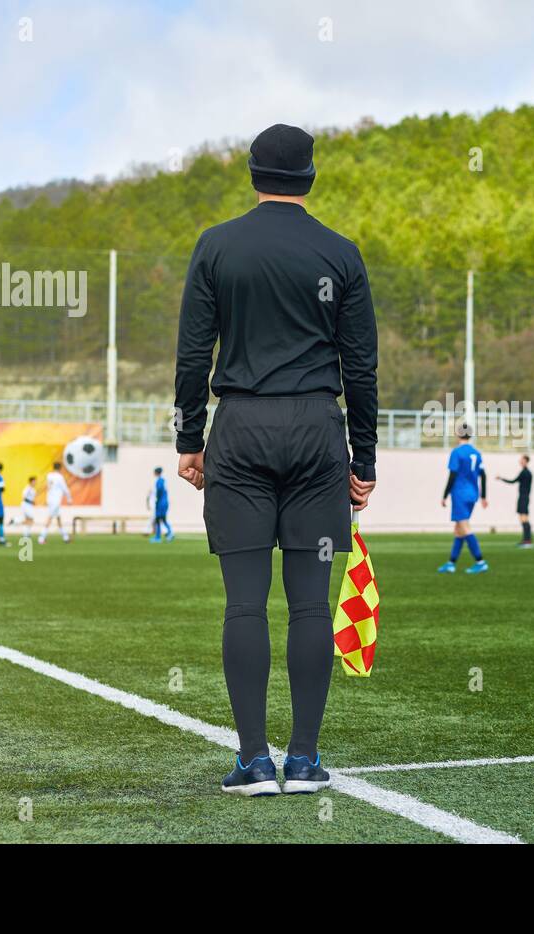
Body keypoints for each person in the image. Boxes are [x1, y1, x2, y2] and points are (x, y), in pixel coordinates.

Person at [174, 123, 378, 797]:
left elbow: (192, 353)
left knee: (244, 605)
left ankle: (255, 761)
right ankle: (306, 759)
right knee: (311, 605)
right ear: (310, 178)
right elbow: (362, 368)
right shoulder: (341, 254)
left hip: (242, 429)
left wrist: (188, 439)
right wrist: (364, 460)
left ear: (253, 174)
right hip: (319, 431)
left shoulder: (216, 247)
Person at [439, 424, 489, 573]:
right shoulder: (477, 453)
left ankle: (480, 561)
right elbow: (484, 476)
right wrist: (484, 496)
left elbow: (453, 475)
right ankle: (451, 563)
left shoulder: (457, 452)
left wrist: (444, 495)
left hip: (460, 493)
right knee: (458, 530)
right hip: (473, 494)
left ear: (458, 435)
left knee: (465, 527)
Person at [497, 454, 533, 547]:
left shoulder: (525, 472)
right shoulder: (526, 472)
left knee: (524, 518)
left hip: (523, 497)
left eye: (521, 459)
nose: (520, 461)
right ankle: (526, 540)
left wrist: (501, 478)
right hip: (524, 497)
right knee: (523, 518)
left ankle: (527, 541)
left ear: (525, 461)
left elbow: (513, 481)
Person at [38, 461, 72, 544]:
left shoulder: (49, 476)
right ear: (60, 468)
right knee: (50, 518)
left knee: (58, 518)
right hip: (56, 500)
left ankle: (65, 537)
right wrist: (69, 498)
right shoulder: (59, 477)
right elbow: (65, 488)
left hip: (50, 499)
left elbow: (49, 487)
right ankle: (41, 538)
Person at [149, 467, 174, 542]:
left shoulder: (159, 481)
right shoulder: (163, 480)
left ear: (156, 473)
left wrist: (156, 499)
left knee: (160, 519)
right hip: (164, 502)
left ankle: (161, 536)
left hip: (161, 503)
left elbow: (159, 490)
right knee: (161, 519)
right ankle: (166, 534)